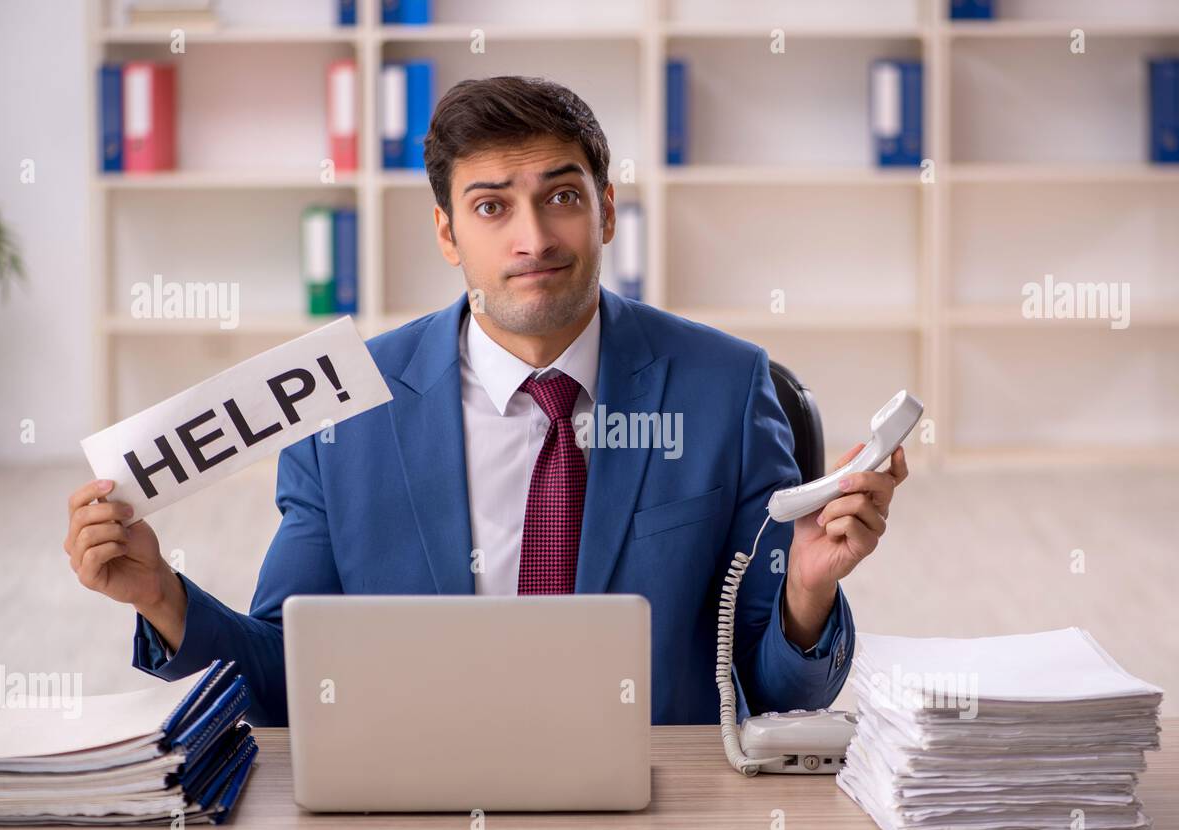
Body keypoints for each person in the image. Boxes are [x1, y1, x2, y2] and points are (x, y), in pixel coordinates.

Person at [64, 76, 907, 727]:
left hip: (657, 808)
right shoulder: (345, 409)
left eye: (562, 196)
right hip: (421, 804)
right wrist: (162, 597)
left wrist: (806, 592)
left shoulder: (725, 386)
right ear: (446, 234)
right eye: (492, 206)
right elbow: (288, 684)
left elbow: (778, 691)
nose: (533, 238)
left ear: (607, 211)